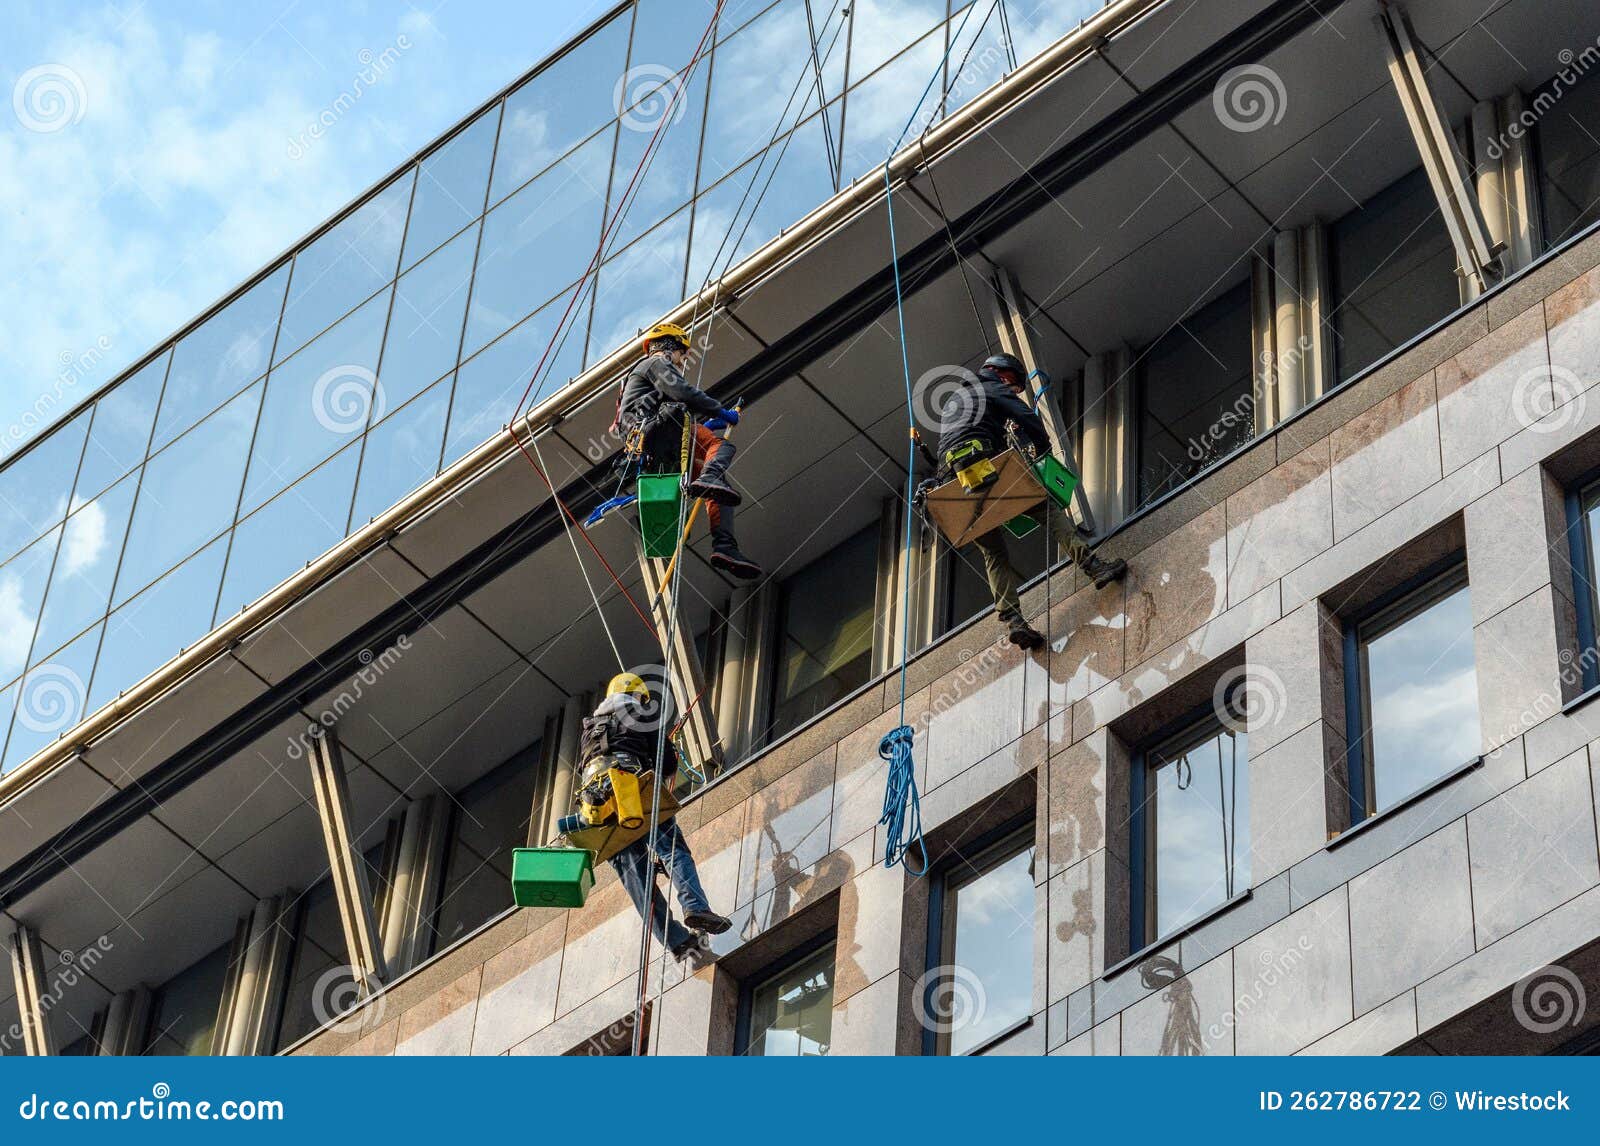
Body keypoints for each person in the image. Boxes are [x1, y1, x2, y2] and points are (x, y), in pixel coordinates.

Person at [934, 353, 1127, 650]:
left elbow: (954, 440)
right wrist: (1041, 447)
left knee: (993, 553)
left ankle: (1014, 622)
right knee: (1047, 508)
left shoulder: (954, 400)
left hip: (955, 485)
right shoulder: (991, 385)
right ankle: (1095, 568)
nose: (1013, 390)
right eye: (1013, 384)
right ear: (1000, 373)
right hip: (983, 464)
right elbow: (1025, 417)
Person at [579, 672, 731, 962]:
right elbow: (668, 763)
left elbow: (586, 766)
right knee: (673, 849)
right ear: (637, 696)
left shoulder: (590, 728)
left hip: (597, 807)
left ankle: (676, 941)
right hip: (632, 791)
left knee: (639, 882)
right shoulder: (640, 713)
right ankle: (694, 906)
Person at [614, 321, 761, 579]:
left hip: (654, 439)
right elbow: (682, 392)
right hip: (656, 431)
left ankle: (725, 546)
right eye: (683, 355)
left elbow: (669, 403)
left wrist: (707, 423)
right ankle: (709, 479)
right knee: (719, 447)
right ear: (670, 346)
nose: (682, 362)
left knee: (717, 488)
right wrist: (720, 411)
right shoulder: (656, 362)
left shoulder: (643, 376)